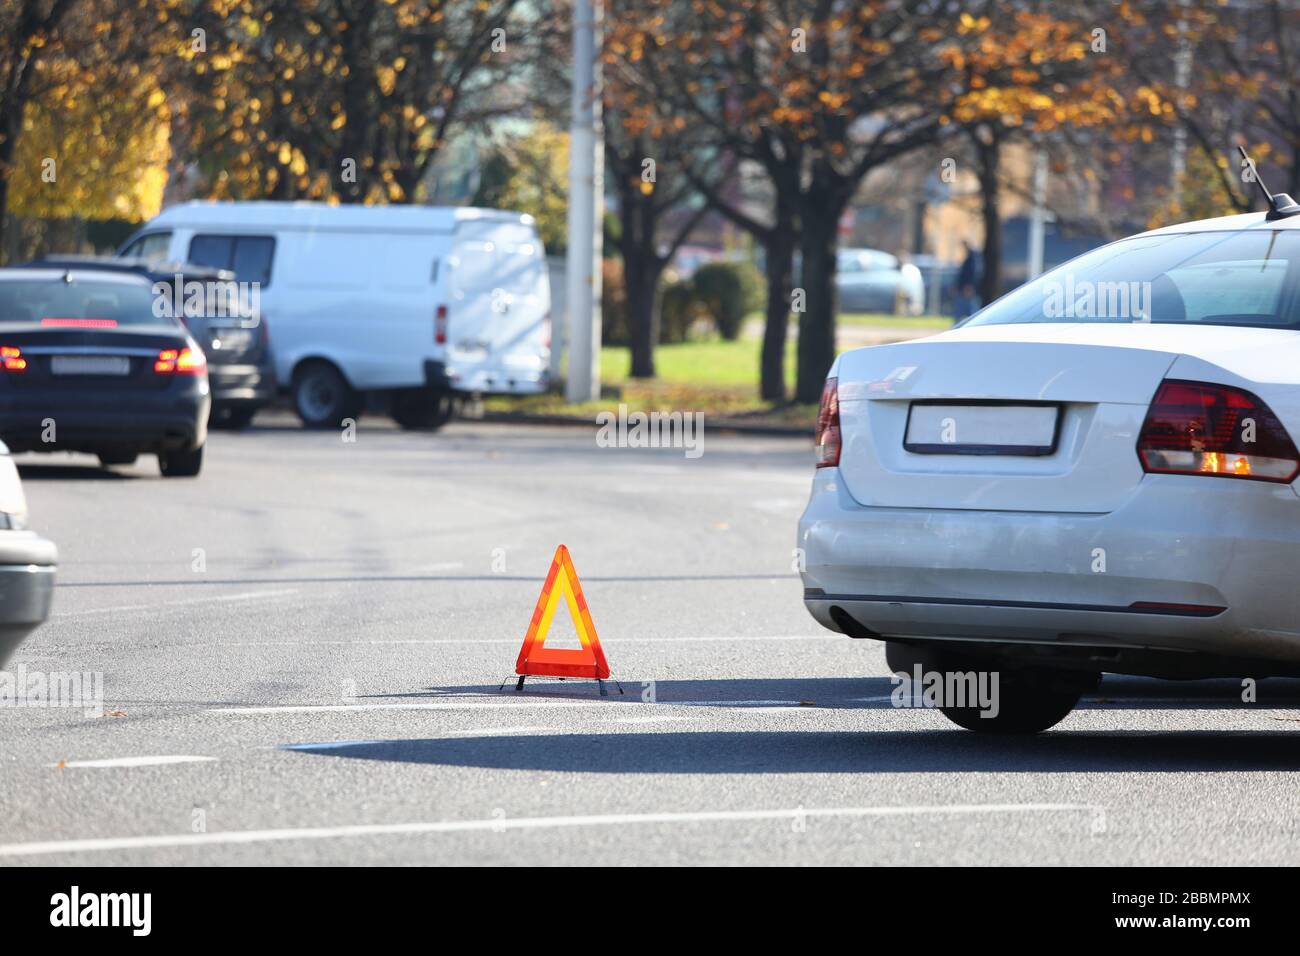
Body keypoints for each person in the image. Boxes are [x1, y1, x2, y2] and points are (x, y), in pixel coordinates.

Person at [952, 239, 982, 319]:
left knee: (971, 313)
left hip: (968, 290)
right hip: (963, 289)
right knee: (960, 311)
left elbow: (972, 274)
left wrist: (969, 286)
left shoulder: (973, 259)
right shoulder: (969, 258)